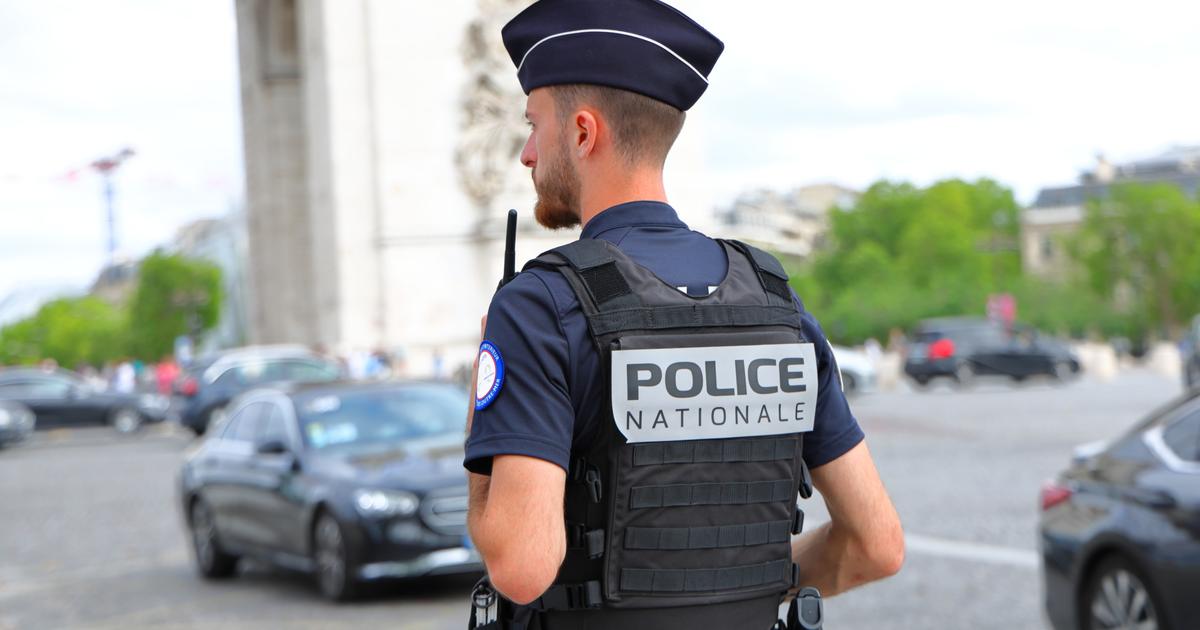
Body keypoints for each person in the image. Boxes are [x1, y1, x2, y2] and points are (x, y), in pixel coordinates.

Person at [464, 1, 904, 628]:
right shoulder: (776, 301)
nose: (527, 154)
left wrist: (481, 413)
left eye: (534, 125)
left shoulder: (539, 308)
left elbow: (522, 567)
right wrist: (743, 585)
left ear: (584, 133)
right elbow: (876, 546)